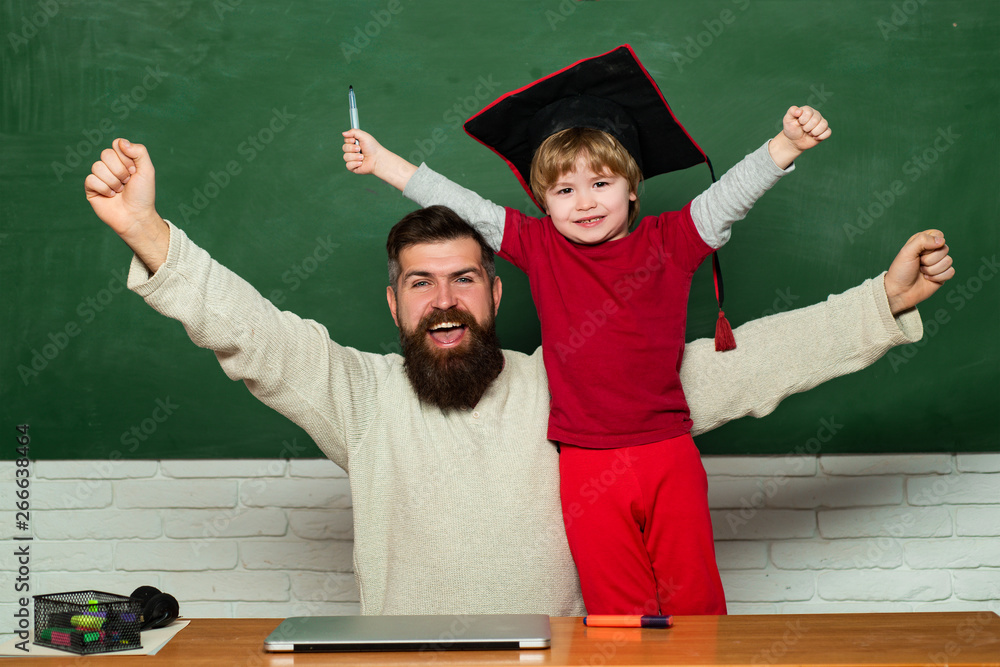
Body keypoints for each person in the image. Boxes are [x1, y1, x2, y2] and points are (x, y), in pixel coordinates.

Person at [85, 137, 952, 616]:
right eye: (420, 282)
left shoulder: (575, 384)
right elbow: (253, 334)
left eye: (464, 277)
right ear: (394, 306)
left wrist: (881, 300)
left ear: (498, 290)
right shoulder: (360, 396)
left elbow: (748, 364)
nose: (444, 299)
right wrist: (148, 230)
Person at [341, 45, 833, 615]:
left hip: (667, 454)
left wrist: (785, 147)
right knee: (616, 613)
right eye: (564, 191)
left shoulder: (673, 241)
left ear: (632, 186)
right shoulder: (539, 246)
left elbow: (729, 198)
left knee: (694, 601)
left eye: (601, 183)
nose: (584, 203)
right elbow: (463, 204)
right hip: (584, 464)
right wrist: (384, 164)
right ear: (543, 201)